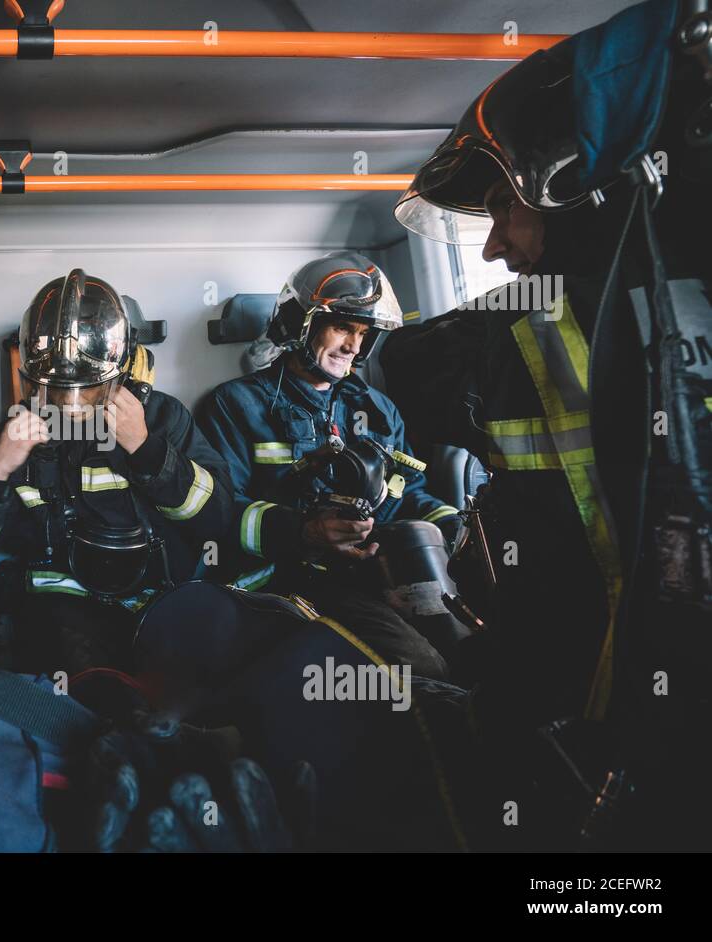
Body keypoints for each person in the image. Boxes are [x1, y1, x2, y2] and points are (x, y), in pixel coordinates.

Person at [383, 20, 711, 848]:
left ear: (579, 187)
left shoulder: (519, 333)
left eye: (502, 208)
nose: (492, 246)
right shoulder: (641, 303)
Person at [0, 268, 232, 674]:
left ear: (124, 370)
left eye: (88, 388)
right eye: (57, 389)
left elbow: (216, 520)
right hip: (56, 613)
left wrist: (146, 450)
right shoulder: (12, 436)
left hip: (157, 604)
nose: (71, 404)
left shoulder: (164, 419)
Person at [200, 252, 457, 679]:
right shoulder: (236, 405)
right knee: (421, 667)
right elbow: (221, 513)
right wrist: (305, 532)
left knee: (467, 645)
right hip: (289, 581)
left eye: (362, 333)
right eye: (342, 327)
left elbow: (407, 489)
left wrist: (450, 526)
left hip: (382, 571)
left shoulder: (377, 409)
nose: (354, 346)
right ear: (298, 324)